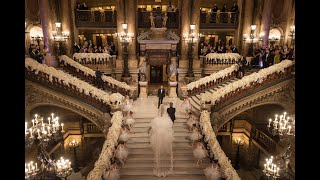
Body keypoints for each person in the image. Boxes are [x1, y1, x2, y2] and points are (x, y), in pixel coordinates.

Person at [148, 104, 175, 177]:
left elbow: (153, 129)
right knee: (165, 152)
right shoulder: (167, 119)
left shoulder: (156, 119)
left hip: (158, 137)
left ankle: (159, 169)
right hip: (165, 137)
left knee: (158, 152)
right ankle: (164, 169)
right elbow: (170, 129)